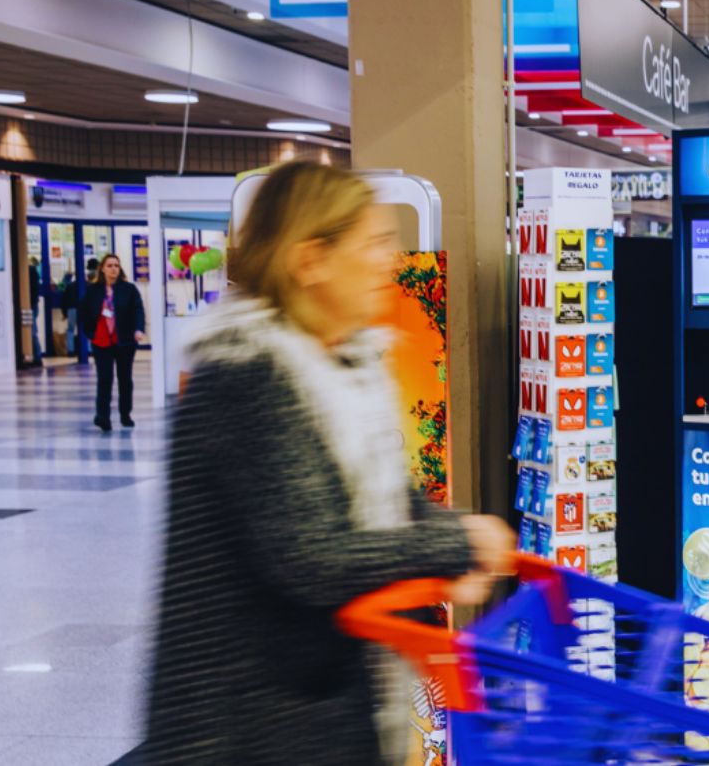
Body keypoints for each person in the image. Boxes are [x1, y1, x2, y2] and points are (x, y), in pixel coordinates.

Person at [139, 161, 514, 765]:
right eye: (373, 243)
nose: (389, 261)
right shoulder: (249, 374)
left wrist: (452, 534)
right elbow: (309, 555)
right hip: (242, 725)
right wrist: (459, 546)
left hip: (319, 704)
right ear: (311, 261)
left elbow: (394, 502)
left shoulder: (347, 366)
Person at [79, 254, 146, 431]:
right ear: (102, 268)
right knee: (104, 379)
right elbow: (84, 312)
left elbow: (138, 309)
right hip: (101, 342)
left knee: (125, 379)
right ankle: (102, 417)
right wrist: (90, 333)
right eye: (109, 265)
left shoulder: (129, 289)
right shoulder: (94, 290)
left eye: (116, 265)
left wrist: (138, 329)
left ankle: (125, 414)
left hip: (124, 341)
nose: (113, 268)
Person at [58, 270, 80, 357]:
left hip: (71, 309)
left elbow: (61, 294)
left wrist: (64, 312)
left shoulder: (69, 285)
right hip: (83, 309)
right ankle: (88, 350)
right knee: (85, 329)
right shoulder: (87, 285)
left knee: (70, 330)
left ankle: (70, 350)